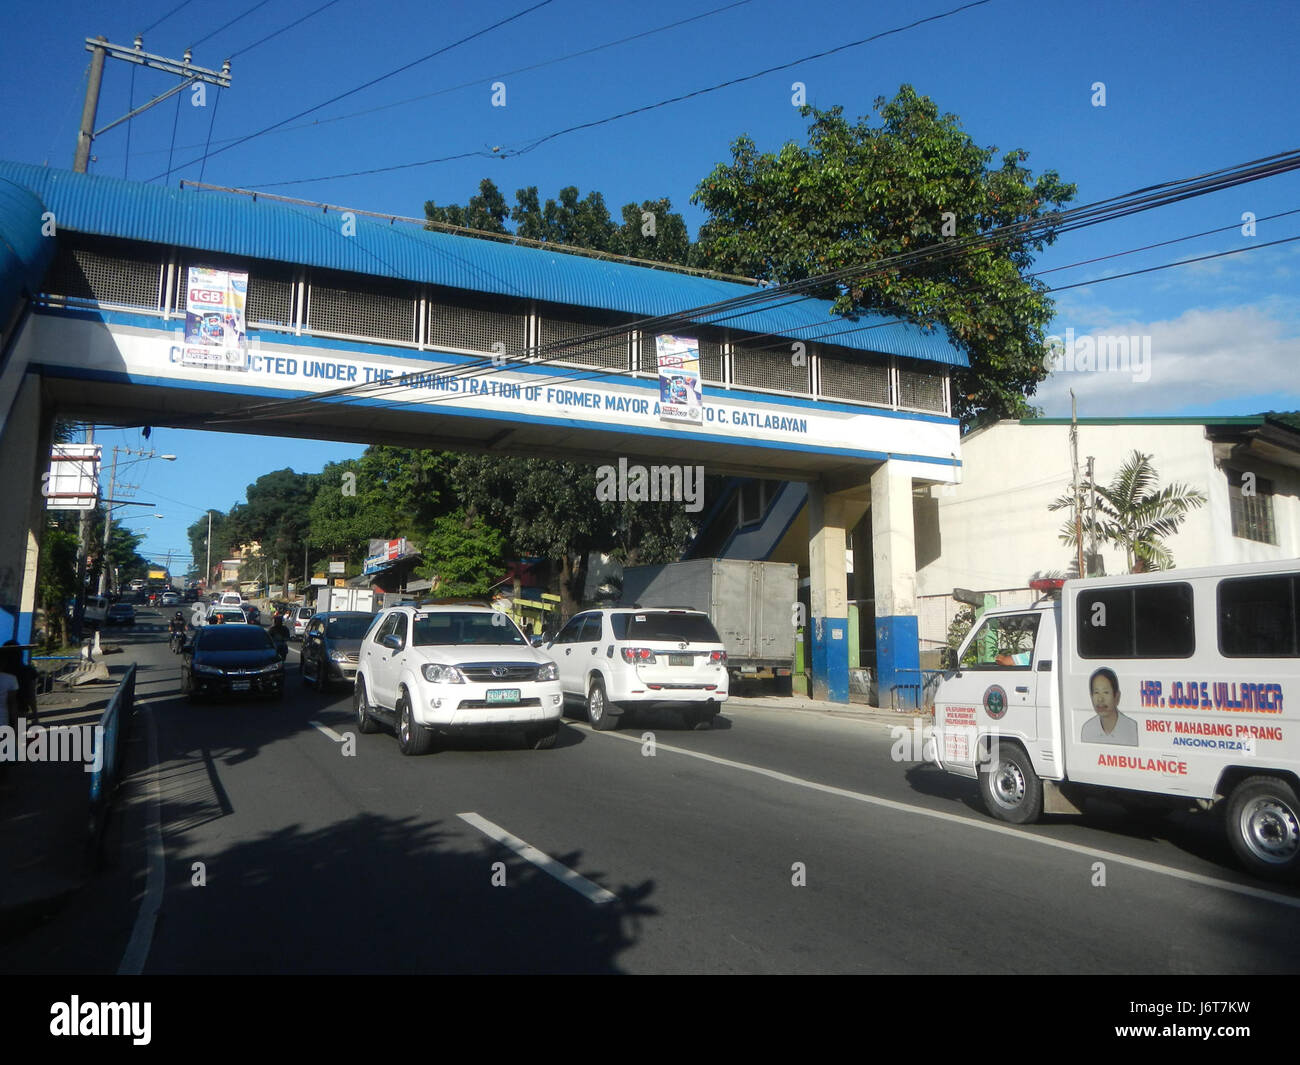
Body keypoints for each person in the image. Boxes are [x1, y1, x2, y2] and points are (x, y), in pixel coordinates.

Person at [1081, 667, 1139, 746]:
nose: (1100, 699)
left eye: (1106, 692)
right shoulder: (1087, 729)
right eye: (1096, 692)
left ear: (1117, 696)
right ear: (1091, 696)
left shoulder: (1132, 728)